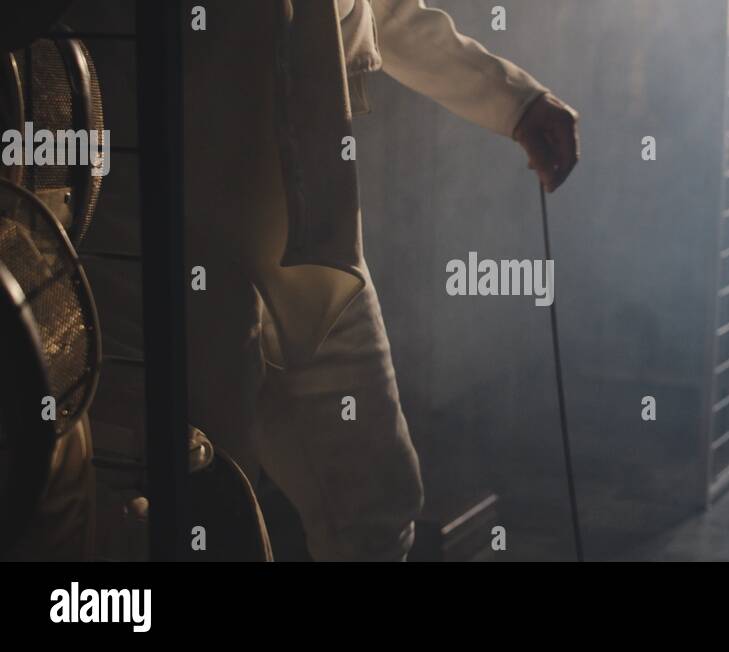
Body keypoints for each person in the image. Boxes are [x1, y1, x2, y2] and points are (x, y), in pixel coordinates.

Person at [183, 0, 580, 561]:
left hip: (314, 235)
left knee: (375, 500)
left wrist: (513, 99)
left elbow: (383, 12)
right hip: (172, 230)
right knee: (201, 505)